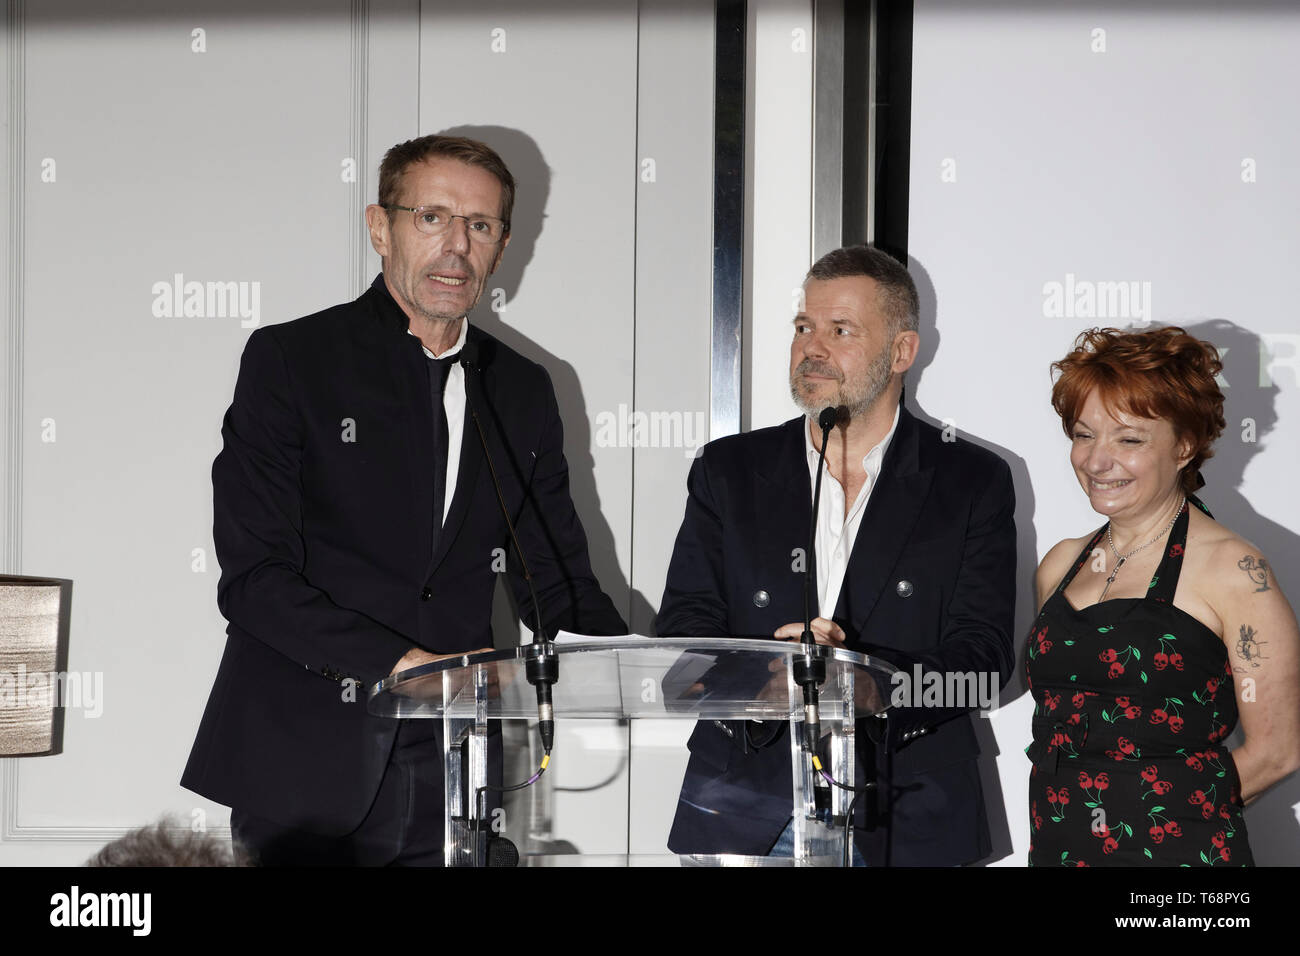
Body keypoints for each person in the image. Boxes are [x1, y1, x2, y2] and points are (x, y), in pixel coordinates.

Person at [181, 135, 626, 865]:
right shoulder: (292, 361)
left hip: (454, 773)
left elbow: (555, 582)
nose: (457, 247)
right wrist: (406, 664)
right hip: (302, 763)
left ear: (503, 246)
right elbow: (255, 581)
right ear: (380, 227)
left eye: (480, 226)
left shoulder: (521, 389)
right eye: (432, 218)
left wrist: (666, 662)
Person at [657, 244, 1017, 866]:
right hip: (744, 804)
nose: (811, 348)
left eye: (840, 330)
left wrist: (871, 686)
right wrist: (762, 680)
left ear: (902, 351)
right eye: (804, 327)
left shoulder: (970, 479)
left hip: (910, 809)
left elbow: (982, 662)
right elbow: (685, 637)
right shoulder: (728, 471)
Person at [1027, 326, 1300, 866]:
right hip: (1059, 849)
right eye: (1084, 435)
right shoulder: (1061, 563)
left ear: (1184, 445)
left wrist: (1155, 820)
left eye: (1128, 439)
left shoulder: (1235, 570)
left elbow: (1277, 751)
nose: (1097, 461)